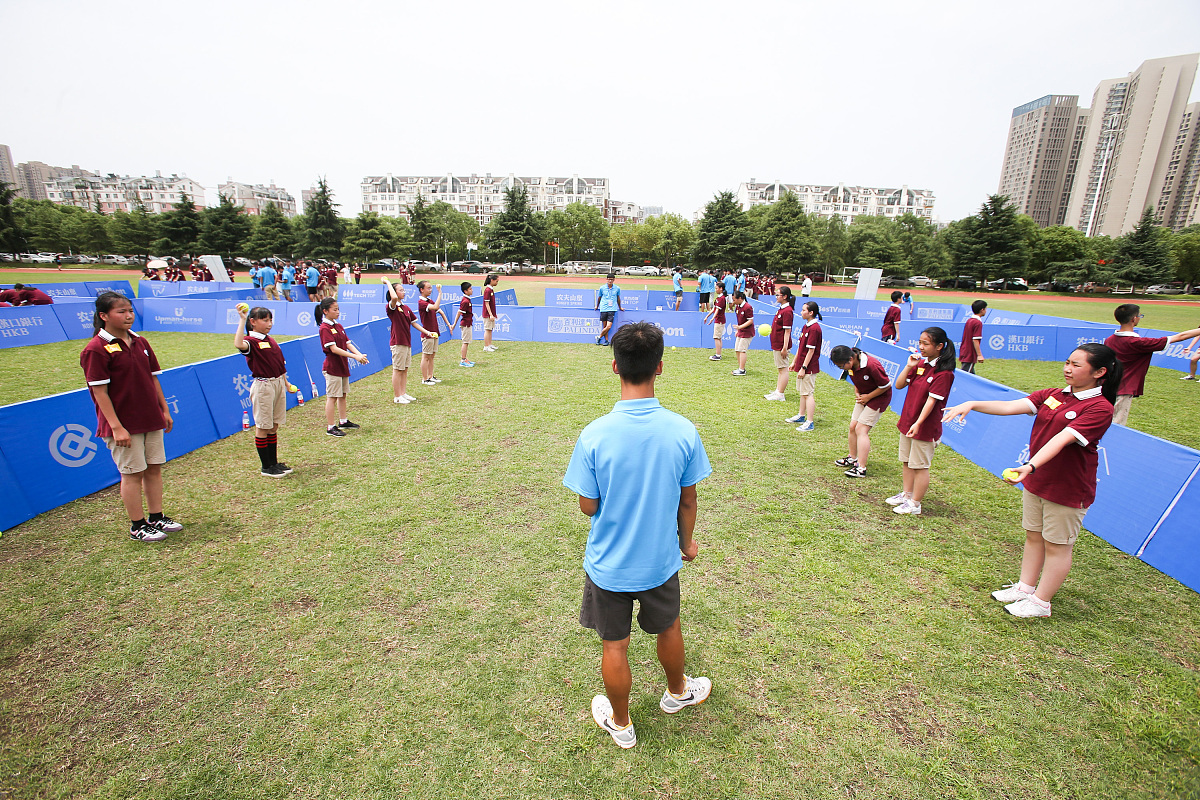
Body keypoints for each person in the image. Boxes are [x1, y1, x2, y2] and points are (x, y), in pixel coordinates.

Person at [562, 321, 713, 750]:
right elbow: (689, 501)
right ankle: (677, 692)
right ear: (660, 367)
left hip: (608, 563)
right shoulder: (682, 430)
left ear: (615, 367)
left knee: (616, 644)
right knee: (669, 627)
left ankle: (622, 724)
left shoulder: (594, 435)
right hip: (661, 560)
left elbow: (588, 506)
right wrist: (686, 544)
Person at [942, 343, 1122, 618]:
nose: (1067, 369)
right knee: (1034, 536)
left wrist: (1031, 465)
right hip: (1039, 479)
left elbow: (1063, 439)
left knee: (1057, 545)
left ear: (1099, 372)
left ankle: (1041, 602)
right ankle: (1026, 588)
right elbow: (1011, 406)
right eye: (1067, 362)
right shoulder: (1053, 395)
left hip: (1068, 487)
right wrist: (973, 403)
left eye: (1076, 365)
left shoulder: (1100, 408)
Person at [79, 292, 183, 542]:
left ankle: (156, 517)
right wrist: (116, 427)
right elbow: (99, 392)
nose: (128, 316)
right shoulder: (96, 349)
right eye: (121, 312)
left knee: (154, 469)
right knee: (132, 473)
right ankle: (138, 525)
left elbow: (153, 378)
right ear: (103, 316)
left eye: (130, 311)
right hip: (124, 424)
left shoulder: (141, 342)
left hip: (150, 417)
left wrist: (164, 410)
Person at [889, 326, 956, 516]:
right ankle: (906, 494)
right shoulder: (920, 365)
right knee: (907, 461)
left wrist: (918, 423)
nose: (921, 347)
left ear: (940, 346)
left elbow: (931, 401)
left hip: (924, 426)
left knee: (920, 466)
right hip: (908, 420)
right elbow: (900, 384)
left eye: (926, 344)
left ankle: (915, 503)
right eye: (920, 343)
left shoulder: (944, 374)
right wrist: (909, 366)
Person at [1103, 304, 1200, 425]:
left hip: (1108, 386)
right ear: (1134, 319)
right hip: (1124, 388)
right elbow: (1180, 336)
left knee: (1105, 419)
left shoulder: (1110, 339)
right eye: (1140, 316)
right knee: (1117, 423)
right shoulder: (1138, 343)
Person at [233, 306, 293, 477]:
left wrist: (286, 383)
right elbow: (239, 344)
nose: (269, 324)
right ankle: (266, 466)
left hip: (277, 384)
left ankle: (274, 462)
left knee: (274, 425)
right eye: (265, 320)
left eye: (270, 320)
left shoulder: (270, 340)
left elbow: (279, 365)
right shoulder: (251, 341)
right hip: (263, 386)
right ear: (253, 322)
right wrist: (241, 319)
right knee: (263, 426)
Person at [830, 345, 892, 478]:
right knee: (853, 426)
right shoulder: (852, 366)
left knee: (861, 429)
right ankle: (852, 457)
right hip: (864, 396)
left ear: (851, 359)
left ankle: (861, 468)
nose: (842, 369)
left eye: (842, 366)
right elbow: (856, 380)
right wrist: (857, 391)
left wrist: (868, 397)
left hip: (878, 398)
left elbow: (886, 385)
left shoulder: (872, 365)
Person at [316, 298, 369, 437]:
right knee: (332, 397)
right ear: (325, 311)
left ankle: (343, 421)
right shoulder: (325, 328)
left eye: (338, 309)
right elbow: (333, 349)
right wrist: (354, 357)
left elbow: (347, 343)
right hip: (332, 367)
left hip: (342, 366)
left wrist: (359, 355)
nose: (338, 312)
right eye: (335, 310)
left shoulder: (338, 326)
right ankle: (330, 426)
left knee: (343, 395)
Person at [383, 278, 434, 404]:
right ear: (393, 292)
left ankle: (403, 393)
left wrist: (427, 332)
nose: (404, 292)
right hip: (398, 342)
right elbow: (393, 299)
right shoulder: (392, 307)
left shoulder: (405, 308)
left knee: (404, 369)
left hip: (406, 341)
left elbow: (414, 323)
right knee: (397, 369)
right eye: (401, 290)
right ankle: (397, 396)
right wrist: (388, 283)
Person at [786, 301, 823, 432]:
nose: (801, 312)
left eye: (803, 310)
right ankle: (801, 415)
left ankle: (810, 421)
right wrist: (794, 362)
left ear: (811, 312)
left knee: (808, 393)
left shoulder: (814, 328)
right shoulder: (806, 326)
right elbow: (801, 348)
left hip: (809, 367)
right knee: (803, 393)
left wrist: (804, 368)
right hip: (802, 365)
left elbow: (811, 351)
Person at [417, 280, 452, 386]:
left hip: (435, 332)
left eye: (431, 288)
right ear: (421, 290)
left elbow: (439, 311)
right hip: (427, 334)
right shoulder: (422, 303)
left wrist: (448, 324)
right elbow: (436, 307)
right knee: (426, 356)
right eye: (428, 288)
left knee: (432, 356)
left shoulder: (429, 300)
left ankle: (430, 376)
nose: (430, 290)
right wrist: (440, 293)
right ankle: (424, 378)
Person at [764, 286, 795, 403]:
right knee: (780, 369)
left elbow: (787, 331)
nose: (776, 297)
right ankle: (778, 390)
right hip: (777, 343)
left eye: (778, 295)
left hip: (782, 345)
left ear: (785, 296)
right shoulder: (781, 309)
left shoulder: (787, 311)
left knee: (783, 369)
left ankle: (780, 393)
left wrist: (784, 348)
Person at [451, 281, 476, 368]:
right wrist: (454, 324)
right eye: (470, 289)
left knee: (467, 342)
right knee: (465, 342)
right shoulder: (465, 301)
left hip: (468, 323)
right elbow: (459, 312)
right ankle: (463, 360)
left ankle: (465, 359)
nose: (472, 290)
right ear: (465, 291)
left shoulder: (468, 299)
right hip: (465, 324)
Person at [595, 273, 623, 346]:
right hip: (603, 308)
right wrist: (597, 306)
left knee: (609, 326)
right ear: (606, 279)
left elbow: (618, 299)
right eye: (609, 279)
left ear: (614, 280)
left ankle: (599, 337)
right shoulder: (602, 288)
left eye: (611, 279)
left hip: (612, 309)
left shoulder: (617, 288)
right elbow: (599, 298)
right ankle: (606, 341)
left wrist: (620, 307)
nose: (610, 281)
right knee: (605, 327)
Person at [960, 300, 987, 373]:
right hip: (970, 353)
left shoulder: (969, 320)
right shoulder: (977, 323)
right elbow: (975, 340)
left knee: (971, 375)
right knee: (965, 376)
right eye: (985, 309)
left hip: (964, 351)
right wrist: (979, 355)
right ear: (982, 310)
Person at [731, 290, 754, 376]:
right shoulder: (738, 307)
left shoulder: (748, 307)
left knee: (742, 350)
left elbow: (750, 320)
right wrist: (738, 330)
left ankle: (742, 369)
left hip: (747, 332)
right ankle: (740, 367)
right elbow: (739, 320)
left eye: (734, 300)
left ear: (740, 298)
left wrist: (740, 327)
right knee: (737, 349)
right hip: (741, 331)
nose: (733, 302)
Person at [703, 284, 728, 361]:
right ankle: (718, 353)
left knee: (717, 337)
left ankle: (718, 355)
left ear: (721, 288)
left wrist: (712, 318)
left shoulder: (722, 298)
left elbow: (717, 310)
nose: (715, 290)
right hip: (718, 319)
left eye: (716, 288)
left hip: (719, 320)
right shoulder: (719, 298)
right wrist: (707, 316)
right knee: (718, 337)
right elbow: (714, 309)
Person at [481, 273, 500, 352]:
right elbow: (487, 303)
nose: (497, 283)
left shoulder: (491, 290)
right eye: (496, 281)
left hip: (491, 314)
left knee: (490, 329)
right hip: (487, 314)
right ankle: (486, 346)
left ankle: (489, 344)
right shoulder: (487, 290)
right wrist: (491, 314)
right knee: (487, 329)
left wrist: (494, 314)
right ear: (491, 280)